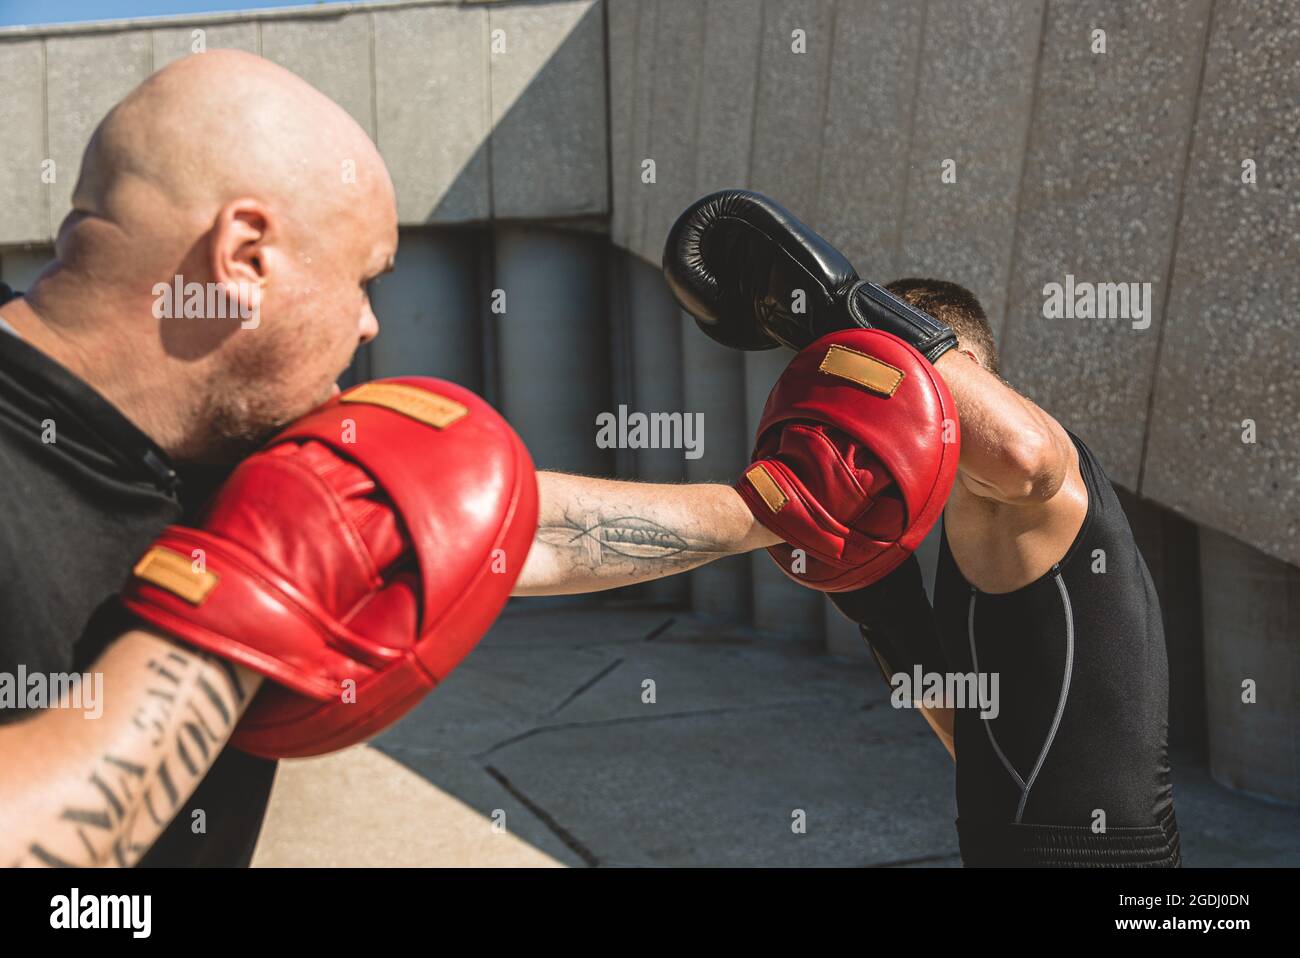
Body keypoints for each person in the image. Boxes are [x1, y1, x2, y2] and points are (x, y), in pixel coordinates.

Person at [0, 51, 781, 868]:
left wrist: (770, 508)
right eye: (363, 279)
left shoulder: (224, 428)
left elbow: (500, 523)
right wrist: (232, 623)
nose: (370, 324)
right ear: (246, 258)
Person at [664, 190, 1180, 867]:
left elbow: (1024, 456)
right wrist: (883, 608)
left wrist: (839, 310)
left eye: (886, 382)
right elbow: (985, 743)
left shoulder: (1032, 486)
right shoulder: (973, 512)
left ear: (951, 369)